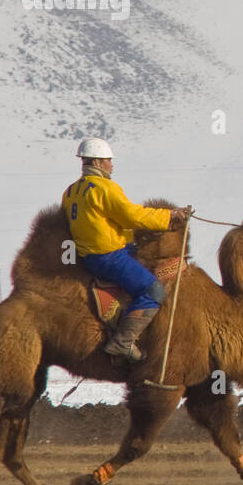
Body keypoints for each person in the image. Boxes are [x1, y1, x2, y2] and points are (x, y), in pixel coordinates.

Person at [62, 138, 190, 362]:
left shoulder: (71, 191)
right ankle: (123, 342)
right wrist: (169, 216)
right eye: (109, 161)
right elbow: (133, 216)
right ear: (98, 162)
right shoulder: (105, 189)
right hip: (110, 257)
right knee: (154, 292)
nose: (112, 165)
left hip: (91, 255)